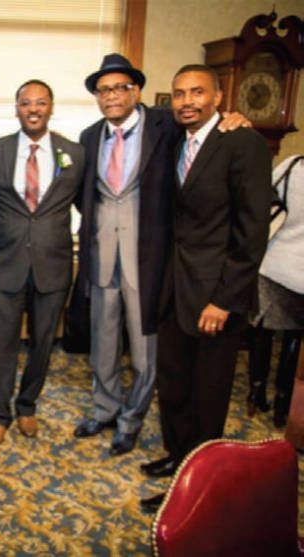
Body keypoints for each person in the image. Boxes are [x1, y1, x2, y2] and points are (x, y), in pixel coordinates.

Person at [74, 53, 249, 456]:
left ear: (136, 91)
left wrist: (235, 119)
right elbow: (87, 198)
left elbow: (205, 129)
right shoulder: (88, 136)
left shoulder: (166, 125)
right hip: (102, 257)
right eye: (103, 90)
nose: (111, 96)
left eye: (120, 88)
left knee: (145, 351)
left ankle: (131, 420)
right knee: (103, 343)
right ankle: (105, 408)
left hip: (149, 261)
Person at [140, 64, 271, 513]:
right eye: (179, 94)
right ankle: (180, 459)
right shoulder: (175, 138)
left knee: (208, 396)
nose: (187, 101)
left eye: (198, 92)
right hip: (174, 289)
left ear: (219, 96)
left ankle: (198, 487)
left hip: (215, 296)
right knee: (174, 386)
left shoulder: (244, 144)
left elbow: (252, 234)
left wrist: (224, 299)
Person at [0, 80, 84, 448]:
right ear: (17, 108)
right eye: (26, 103)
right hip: (5, 263)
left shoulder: (76, 153)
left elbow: (90, 205)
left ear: (51, 107)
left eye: (41, 103)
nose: (34, 109)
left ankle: (27, 405)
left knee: (43, 343)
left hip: (53, 266)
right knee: (1, 345)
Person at [247, 155, 304, 427]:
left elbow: (263, 196)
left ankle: (256, 393)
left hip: (274, 263)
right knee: (295, 338)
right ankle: (284, 402)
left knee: (262, 331)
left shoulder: (292, 165)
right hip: (300, 272)